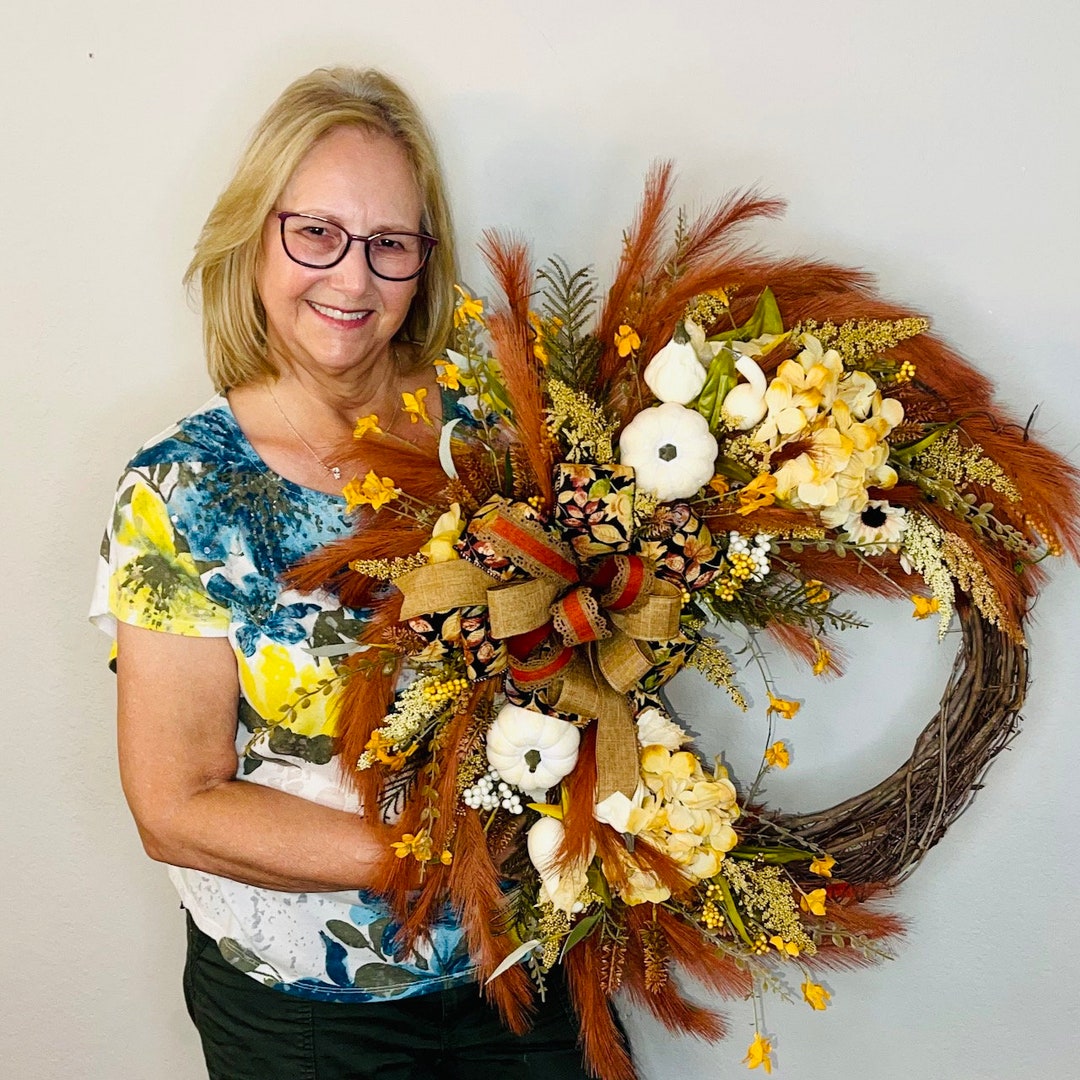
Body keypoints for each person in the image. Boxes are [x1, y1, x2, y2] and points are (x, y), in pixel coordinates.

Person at [90, 67, 587, 1080]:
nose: (352, 281)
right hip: (308, 1019)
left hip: (535, 974)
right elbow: (176, 806)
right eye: (315, 232)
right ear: (256, 235)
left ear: (423, 261)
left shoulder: (500, 423)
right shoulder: (182, 490)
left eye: (389, 244)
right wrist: (448, 862)